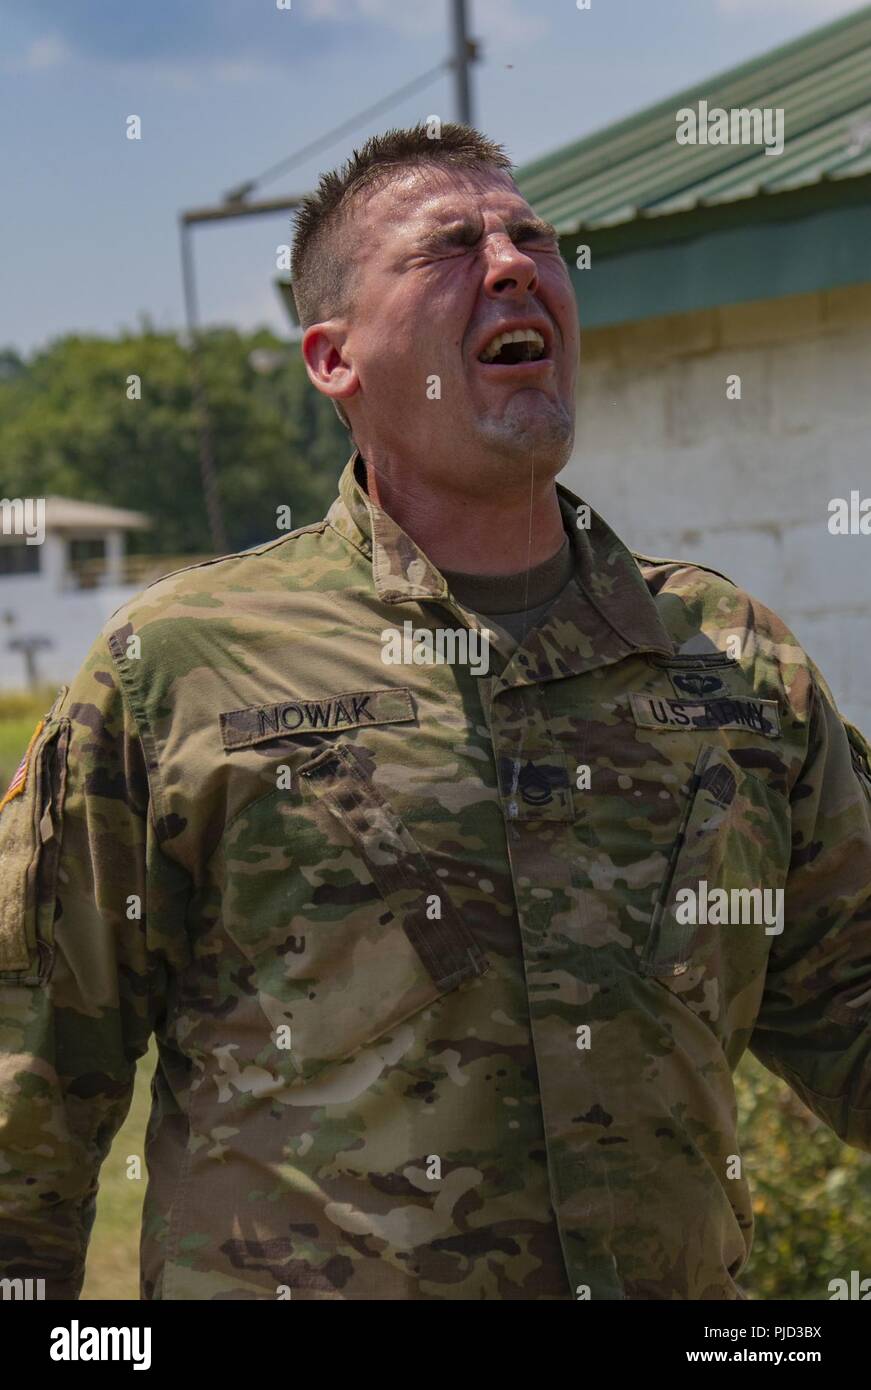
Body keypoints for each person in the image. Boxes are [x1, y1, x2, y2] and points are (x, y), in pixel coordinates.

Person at [1, 124, 870, 1302]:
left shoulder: (730, 659)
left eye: (533, 240)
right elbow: (29, 1092)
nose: (512, 264)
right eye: (450, 247)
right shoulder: (181, 667)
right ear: (333, 358)